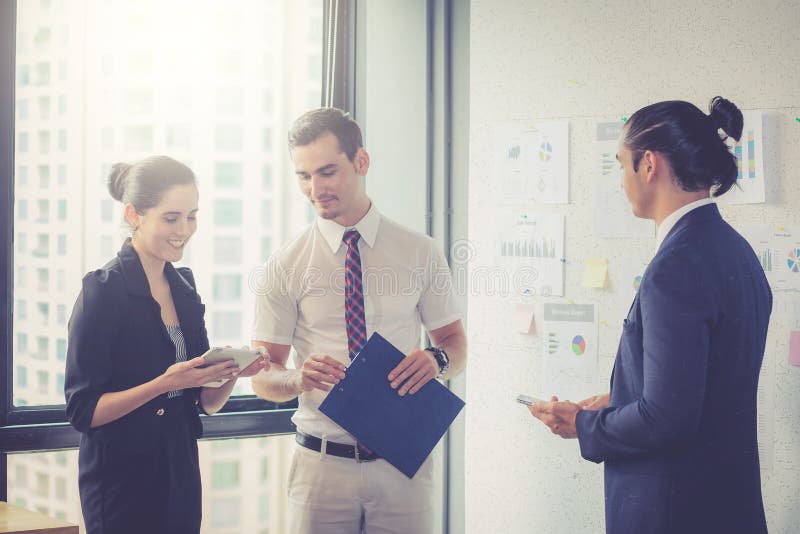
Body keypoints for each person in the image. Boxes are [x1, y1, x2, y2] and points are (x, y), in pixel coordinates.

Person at [530, 96, 771, 534]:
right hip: (729, 504)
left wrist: (583, 424)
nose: (621, 181)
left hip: (674, 512)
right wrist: (622, 398)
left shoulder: (673, 268)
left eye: (622, 165)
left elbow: (666, 418)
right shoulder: (738, 253)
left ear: (649, 165)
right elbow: (701, 386)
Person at [251, 108, 467, 533]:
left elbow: (455, 343)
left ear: (361, 161)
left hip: (404, 464)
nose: (315, 189)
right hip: (321, 467)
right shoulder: (285, 264)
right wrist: (296, 378)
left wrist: (437, 360)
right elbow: (262, 376)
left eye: (327, 171)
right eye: (304, 176)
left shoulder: (419, 251)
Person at [64, 155, 268, 534]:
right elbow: (83, 410)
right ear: (134, 215)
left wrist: (231, 372)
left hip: (180, 470)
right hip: (121, 481)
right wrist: (164, 384)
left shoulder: (184, 288)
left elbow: (206, 403)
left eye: (192, 216)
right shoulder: (103, 291)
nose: (184, 230)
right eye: (171, 218)